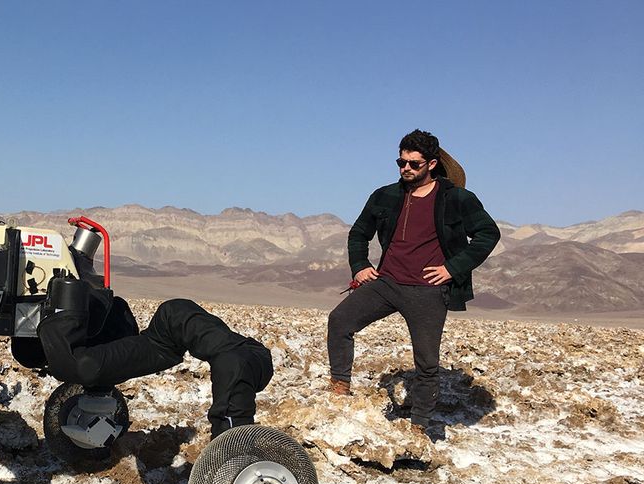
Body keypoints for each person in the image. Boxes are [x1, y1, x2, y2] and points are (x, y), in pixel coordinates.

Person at [326, 129, 500, 436]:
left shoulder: (456, 198)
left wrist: (452, 269)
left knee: (426, 362)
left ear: (432, 164)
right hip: (387, 282)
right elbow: (358, 233)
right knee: (340, 320)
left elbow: (488, 233)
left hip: (428, 291)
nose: (406, 168)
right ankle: (340, 389)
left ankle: (420, 426)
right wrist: (360, 266)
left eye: (413, 163)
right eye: (401, 162)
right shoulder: (385, 196)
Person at [37, 276, 273, 439]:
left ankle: (234, 446)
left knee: (233, 361)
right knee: (83, 365)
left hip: (173, 338)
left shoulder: (238, 357)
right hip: (163, 336)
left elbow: (234, 362)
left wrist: (231, 443)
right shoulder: (171, 322)